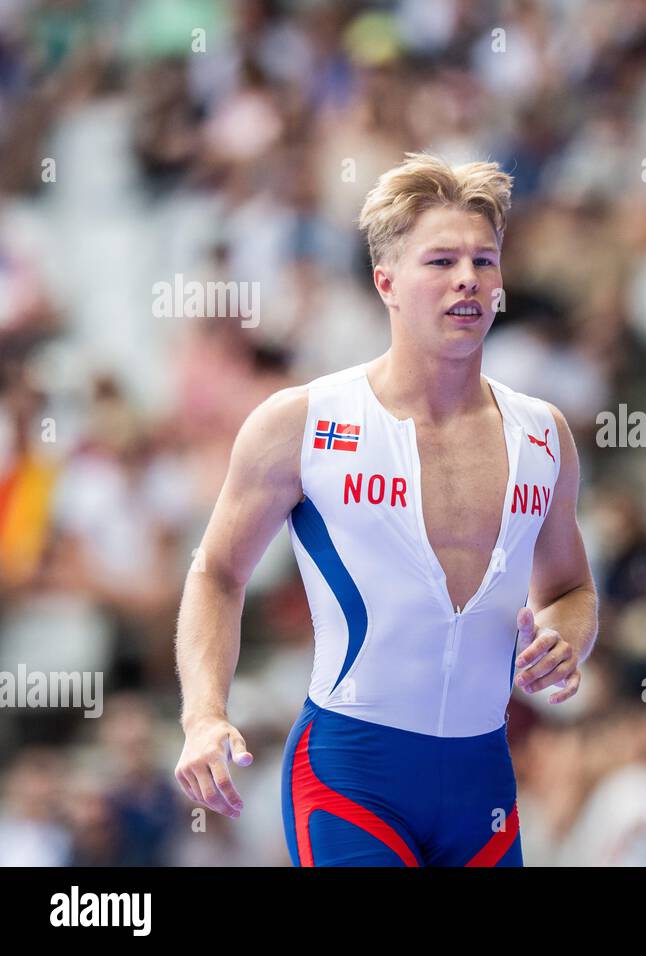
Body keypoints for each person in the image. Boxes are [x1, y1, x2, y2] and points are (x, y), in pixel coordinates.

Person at [173, 153, 599, 866]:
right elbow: (216, 572)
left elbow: (569, 588)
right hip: (352, 774)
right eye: (441, 261)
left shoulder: (543, 434)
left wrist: (565, 636)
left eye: (484, 261)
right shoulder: (301, 423)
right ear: (386, 283)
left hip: (482, 782)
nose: (469, 279)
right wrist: (203, 715)